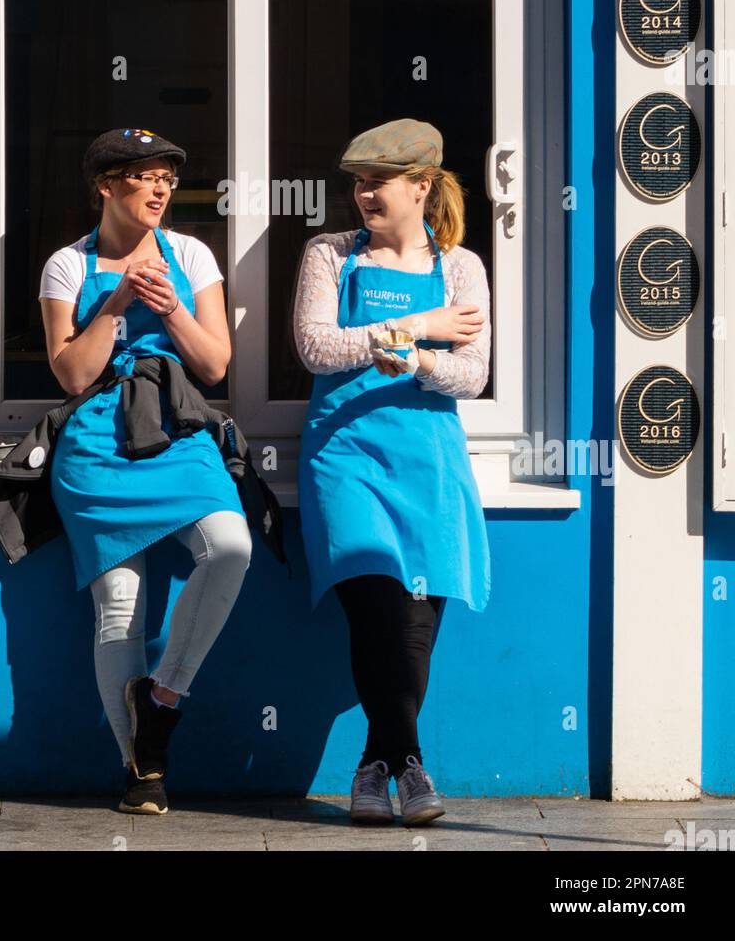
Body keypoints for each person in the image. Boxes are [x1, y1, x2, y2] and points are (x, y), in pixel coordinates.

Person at [39, 127, 251, 816]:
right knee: (120, 609)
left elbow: (215, 365)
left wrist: (169, 307)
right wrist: (118, 301)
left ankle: (161, 701)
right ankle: (141, 772)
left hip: (177, 430)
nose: (161, 188)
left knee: (231, 546)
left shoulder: (191, 255)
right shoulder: (66, 267)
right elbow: (71, 371)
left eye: (167, 176)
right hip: (97, 444)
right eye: (145, 176)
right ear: (106, 186)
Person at [292, 118, 492, 828]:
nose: (363, 193)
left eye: (378, 181)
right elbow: (317, 347)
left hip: (429, 466)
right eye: (358, 181)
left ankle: (378, 768)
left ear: (422, 186)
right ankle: (411, 762)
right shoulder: (329, 254)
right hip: (345, 460)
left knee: (412, 629)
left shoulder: (462, 267)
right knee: (375, 602)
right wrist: (424, 323)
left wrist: (418, 357)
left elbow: (471, 376)